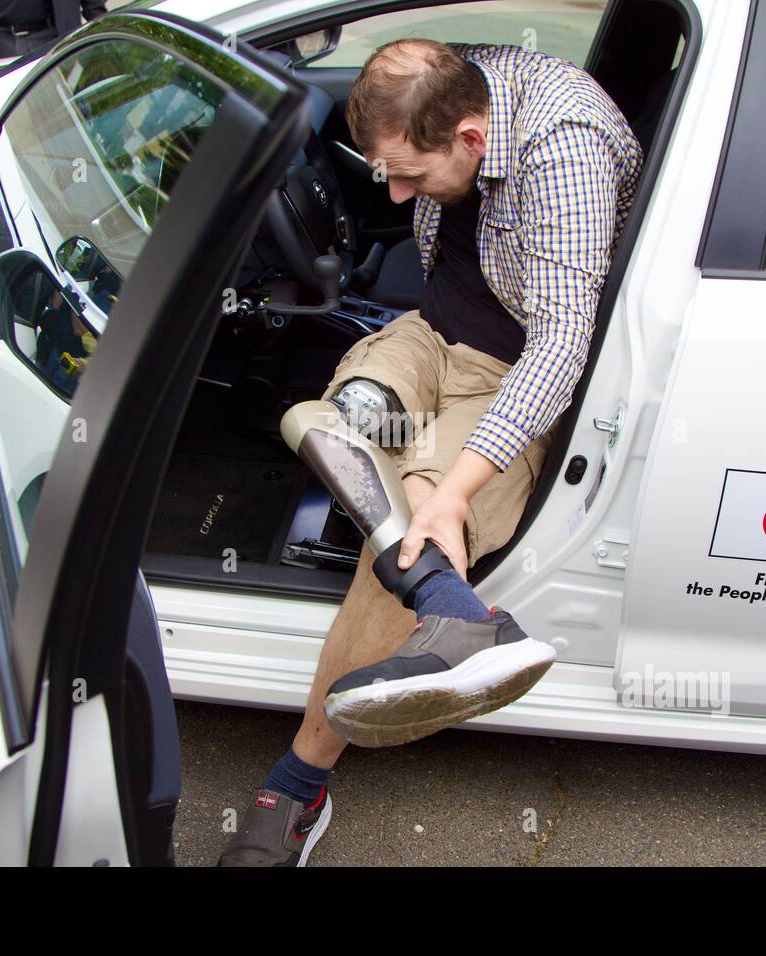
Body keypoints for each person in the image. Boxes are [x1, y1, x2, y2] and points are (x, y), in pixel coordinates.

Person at [217, 38, 643, 866]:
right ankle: (458, 612)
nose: (400, 193)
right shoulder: (462, 77)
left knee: (411, 521)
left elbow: (559, 347)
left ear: (473, 140)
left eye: (411, 176)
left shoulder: (565, 154)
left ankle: (300, 784)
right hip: (426, 335)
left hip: (507, 371)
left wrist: (454, 490)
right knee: (330, 423)